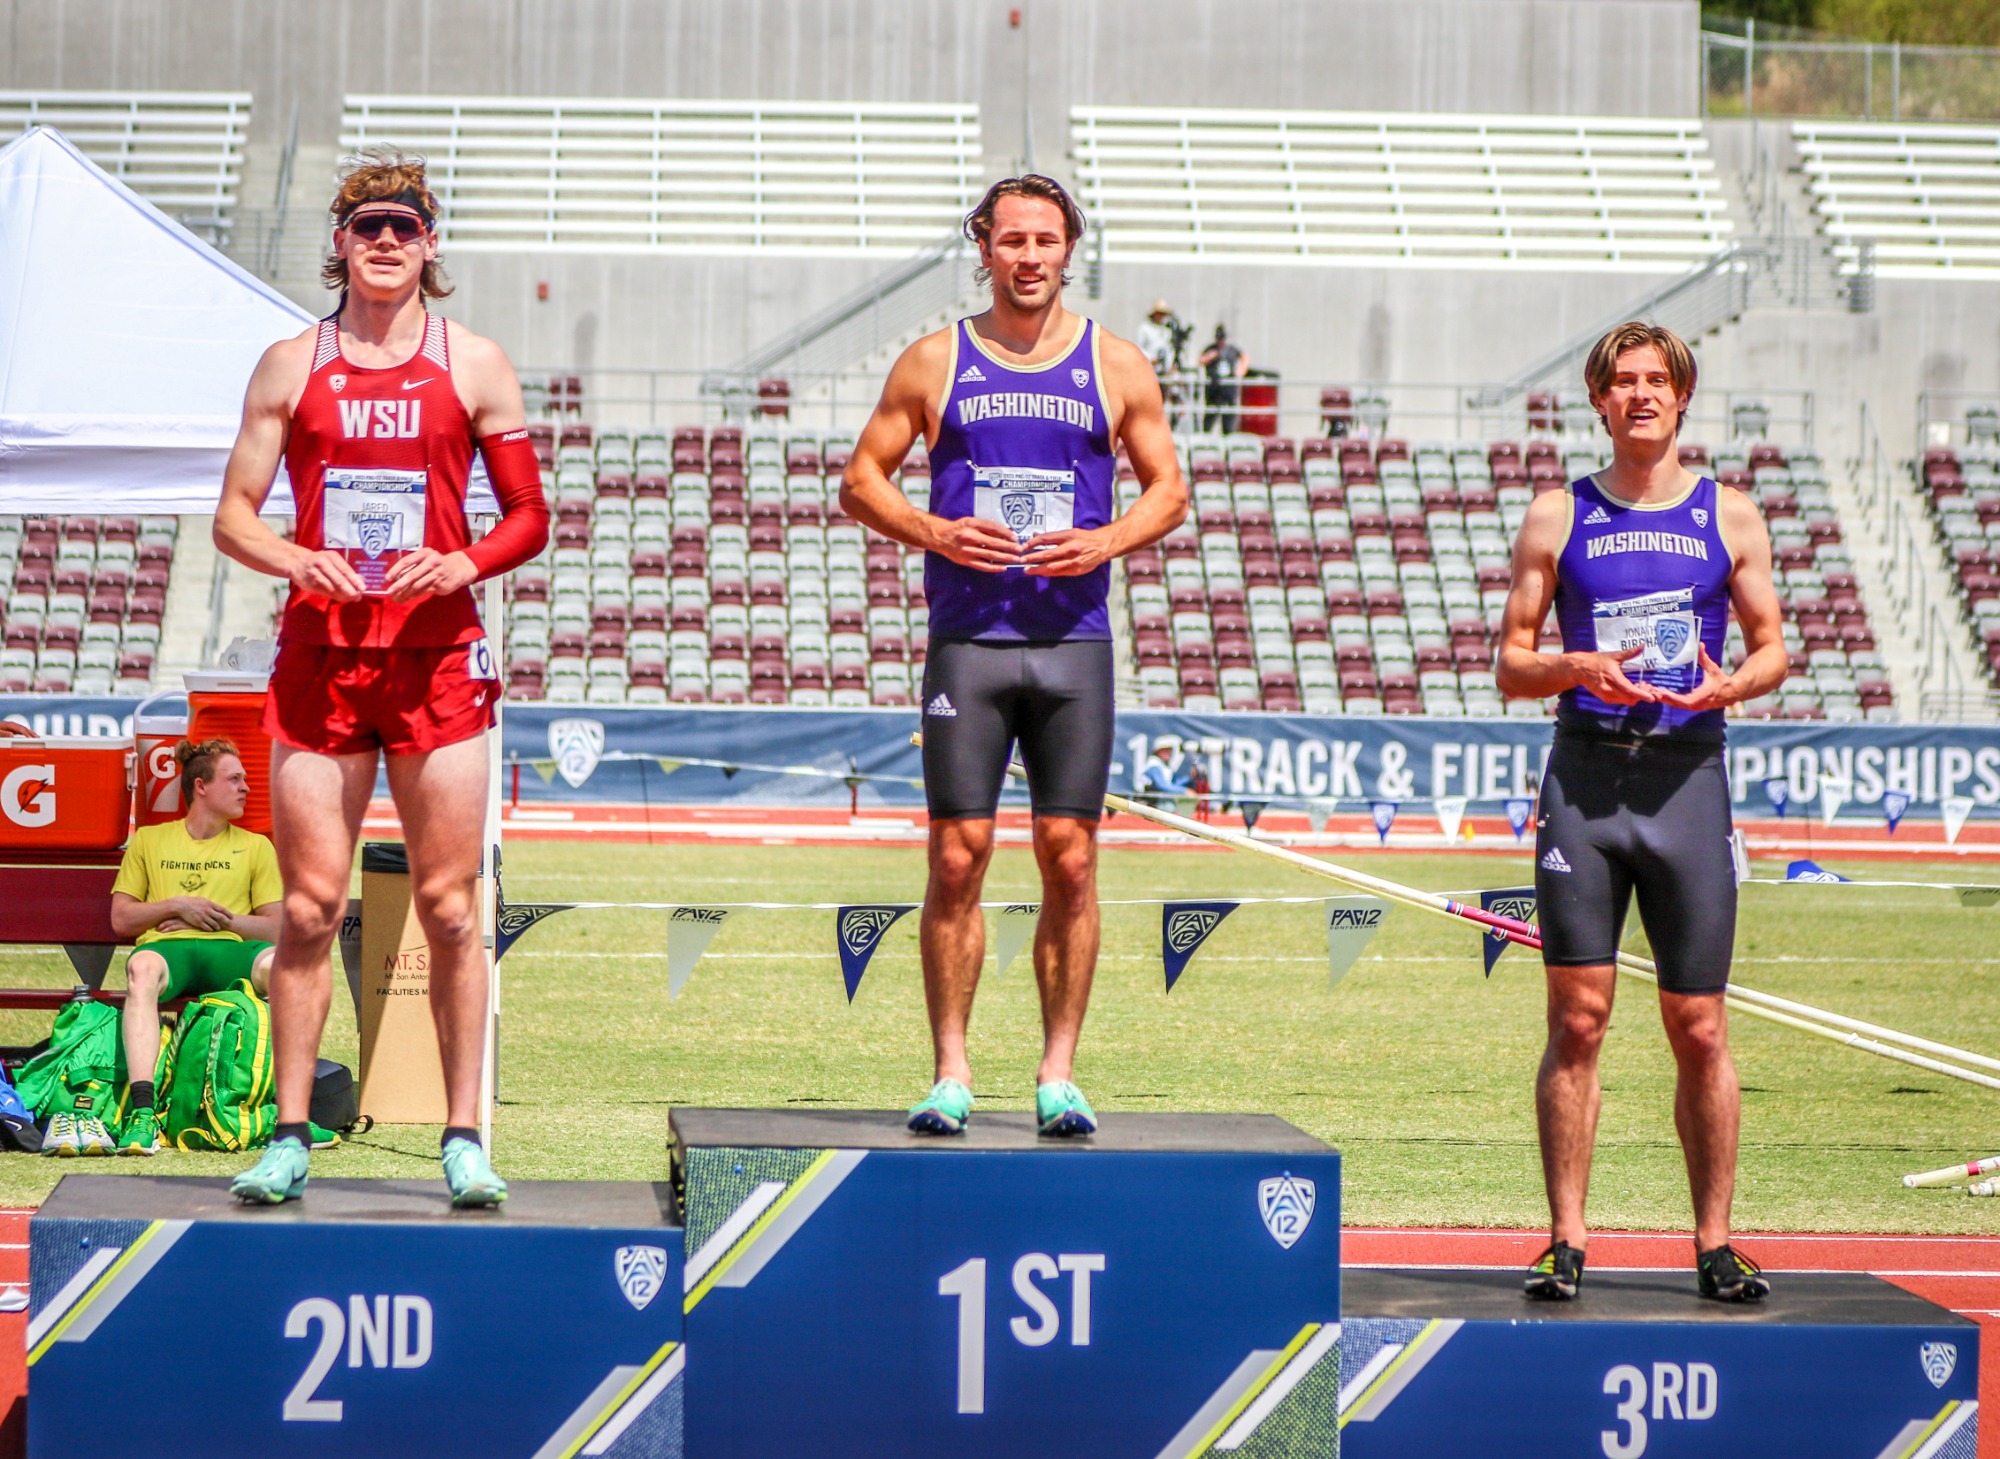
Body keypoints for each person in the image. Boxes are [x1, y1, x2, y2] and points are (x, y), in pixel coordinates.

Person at [212, 148, 549, 1206]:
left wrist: (463, 559)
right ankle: (290, 1137)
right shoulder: (287, 363)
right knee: (310, 908)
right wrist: (287, 554)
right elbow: (231, 516)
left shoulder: (476, 362)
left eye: (406, 225)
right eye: (369, 227)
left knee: (450, 908)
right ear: (341, 243)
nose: (388, 242)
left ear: (431, 242)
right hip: (320, 661)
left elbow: (531, 515)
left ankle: (461, 1137)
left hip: (438, 660)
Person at [841, 174, 1187, 1138]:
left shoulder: (1115, 365)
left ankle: (1057, 1074)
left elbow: (1168, 490)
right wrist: (932, 530)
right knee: (959, 855)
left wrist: (1107, 539)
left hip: (1072, 647)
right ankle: (951, 1072)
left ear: (1069, 249)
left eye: (1046, 240)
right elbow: (860, 480)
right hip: (970, 646)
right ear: (983, 249)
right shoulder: (935, 360)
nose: (1029, 256)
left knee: (1070, 858)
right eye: (1011, 240)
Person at [1494, 322, 1787, 1303]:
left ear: (1680, 395)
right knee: (1576, 1020)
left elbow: (1772, 647)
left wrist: (1726, 687)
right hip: (1583, 783)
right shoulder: (1555, 516)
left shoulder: (1728, 516)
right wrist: (1570, 666)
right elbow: (1508, 664)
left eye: (1654, 381)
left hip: (1685, 781)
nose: (1639, 396)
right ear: (1598, 401)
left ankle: (1712, 1243)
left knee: (1696, 1024)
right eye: (1620, 382)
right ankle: (1565, 1241)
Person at [107, 738, 282, 1156]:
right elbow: (121, 920)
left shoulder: (256, 845)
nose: (246, 788)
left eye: (245, 779)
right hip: (171, 951)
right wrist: (176, 906)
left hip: (230, 950)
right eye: (234, 779)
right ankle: (144, 1113)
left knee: (283, 968)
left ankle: (284, 1109)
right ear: (201, 786)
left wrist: (215, 916)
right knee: (142, 971)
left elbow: (279, 929)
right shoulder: (150, 840)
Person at [1199, 324, 1248, 434]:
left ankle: (1228, 436)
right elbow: (1201, 360)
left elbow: (1244, 357)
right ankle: (1206, 437)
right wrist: (1211, 356)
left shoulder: (1232, 349)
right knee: (1210, 416)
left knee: (1229, 417)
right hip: (1214, 387)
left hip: (1228, 389)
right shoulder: (1211, 348)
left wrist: (1241, 370)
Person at [1138, 738, 1190, 807]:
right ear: (1158, 751)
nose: (1168, 752)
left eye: (1169, 750)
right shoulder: (1153, 764)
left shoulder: (1164, 765)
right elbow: (1162, 785)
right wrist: (1184, 791)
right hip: (1150, 804)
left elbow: (1174, 784)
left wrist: (1191, 778)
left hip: (1161, 804)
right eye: (1165, 750)